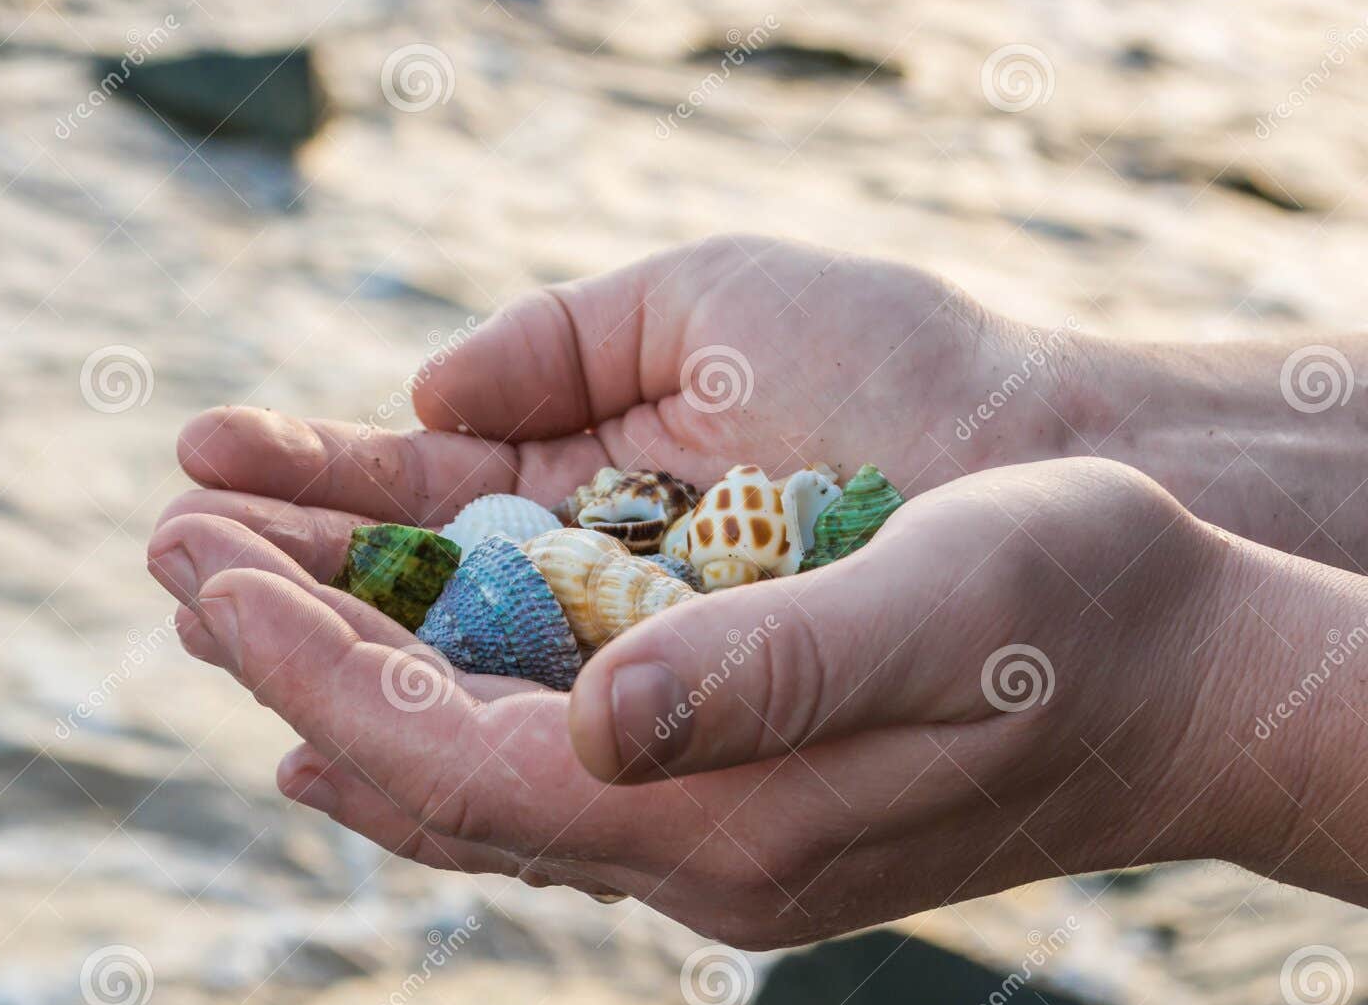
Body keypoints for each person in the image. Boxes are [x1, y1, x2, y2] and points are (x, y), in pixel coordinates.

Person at [146, 235, 1368, 949]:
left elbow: (1183, 669)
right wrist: (1072, 426)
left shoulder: (618, 558)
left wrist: (1195, 693)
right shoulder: (559, 558)